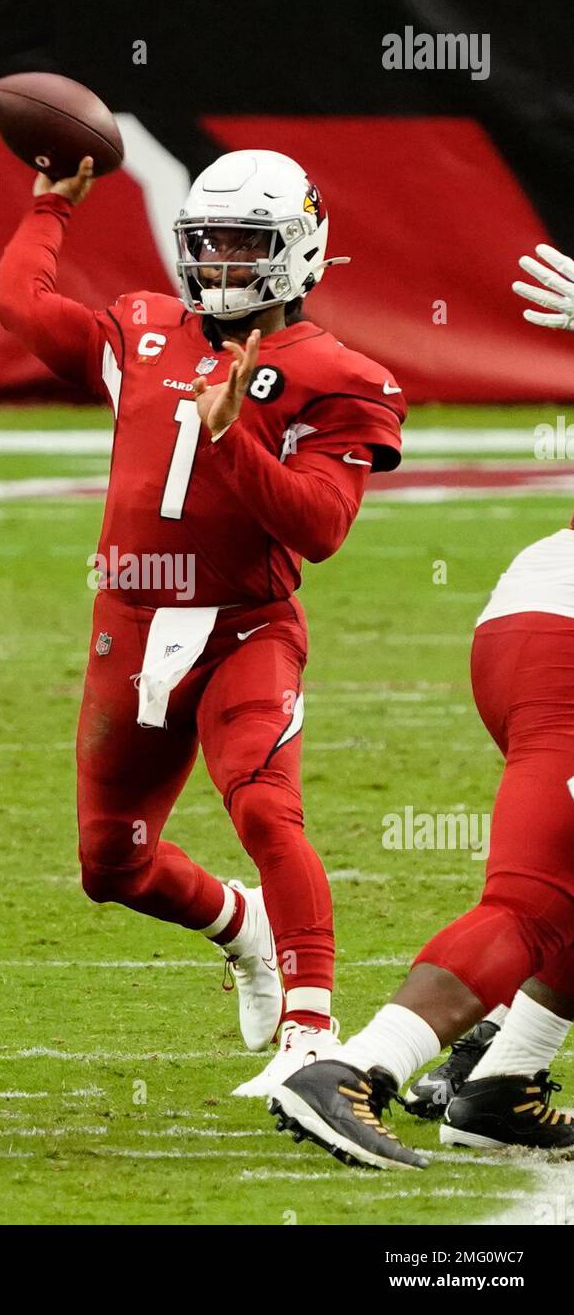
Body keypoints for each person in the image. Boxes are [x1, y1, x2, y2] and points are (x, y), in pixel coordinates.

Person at [0, 148, 405, 1085]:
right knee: (113, 867)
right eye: (206, 241)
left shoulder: (342, 375)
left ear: (299, 250)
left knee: (265, 804)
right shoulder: (143, 326)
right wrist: (49, 207)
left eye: (243, 243)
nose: (219, 263)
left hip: (242, 628)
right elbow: (22, 303)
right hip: (128, 628)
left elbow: (322, 527)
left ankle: (313, 1039)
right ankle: (241, 923)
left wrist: (233, 442)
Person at [264, 244, 574, 1170]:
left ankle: (504, 1086)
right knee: (530, 906)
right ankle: (355, 1070)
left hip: (530, 621)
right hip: (564, 642)